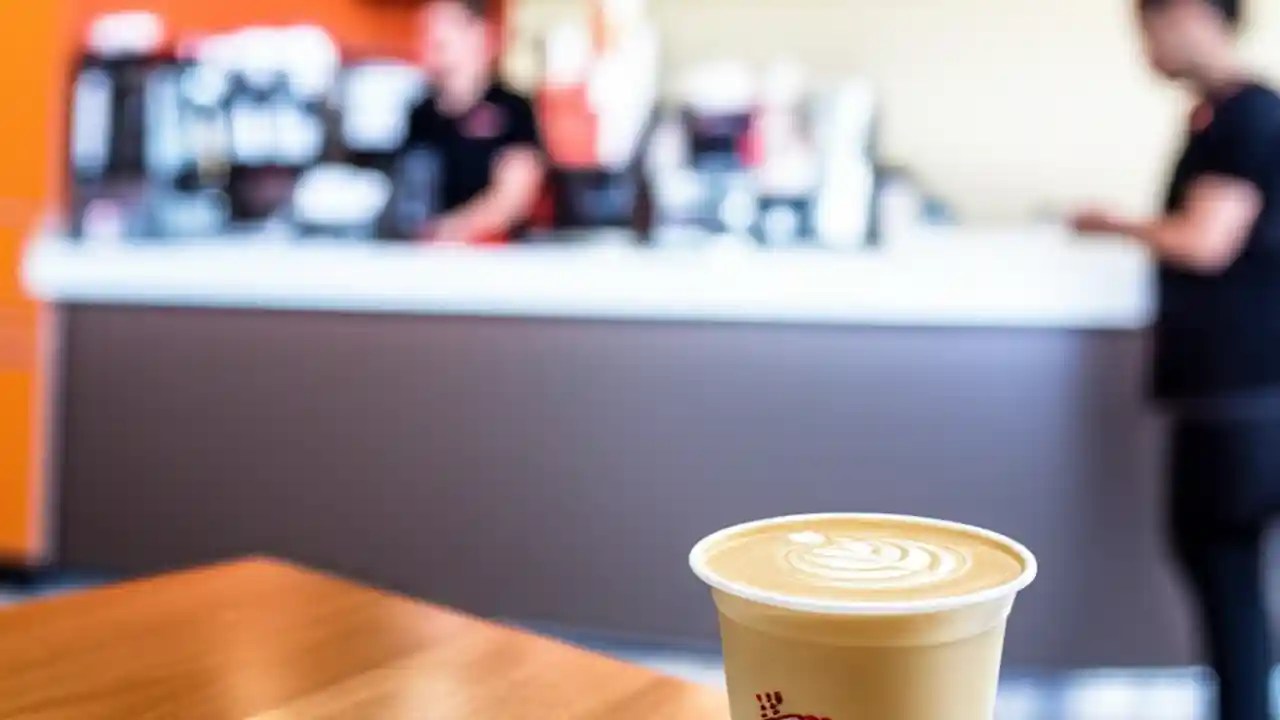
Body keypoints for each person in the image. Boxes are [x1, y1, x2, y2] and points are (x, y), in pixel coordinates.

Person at [1074, 1, 1280, 717]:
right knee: (1229, 580)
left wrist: (1111, 224)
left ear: (1189, 14)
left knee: (1223, 571)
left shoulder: (1245, 116)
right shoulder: (1222, 115)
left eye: (1147, 27)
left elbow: (1206, 240)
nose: (1146, 47)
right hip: (1240, 394)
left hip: (1239, 398)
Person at [402, 0, 545, 242]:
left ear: (480, 35)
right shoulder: (421, 113)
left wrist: (454, 230)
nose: (434, 37)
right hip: (427, 253)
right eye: (427, 30)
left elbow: (515, 195)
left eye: (447, 28)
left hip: (499, 252)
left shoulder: (512, 108)